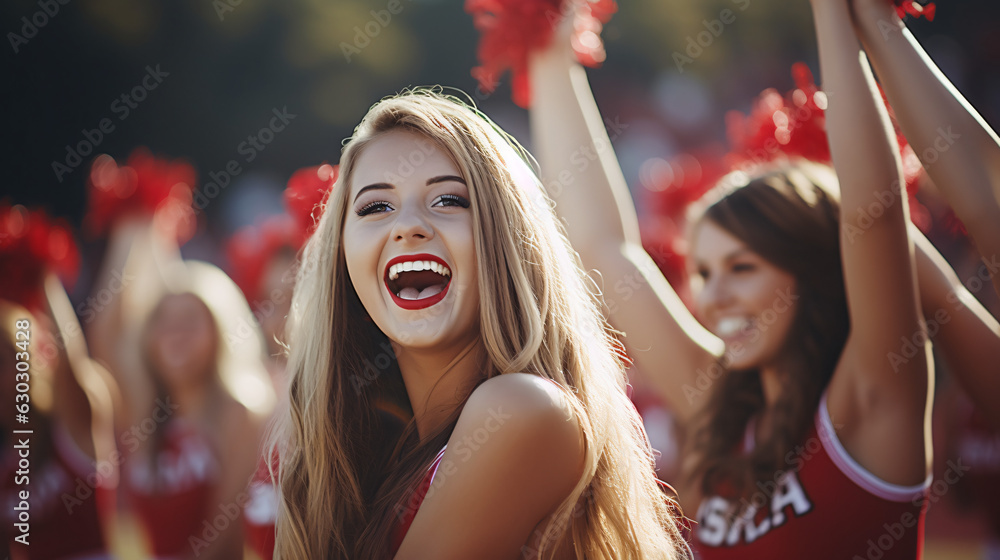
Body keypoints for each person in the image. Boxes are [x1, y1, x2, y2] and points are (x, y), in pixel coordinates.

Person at [526, 1, 994, 556]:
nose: (713, 296)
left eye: (742, 268)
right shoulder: (717, 409)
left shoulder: (872, 396)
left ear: (812, 273)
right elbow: (606, 248)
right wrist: (550, 53)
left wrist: (831, 13)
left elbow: (873, 213)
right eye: (703, 272)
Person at [270, 89, 689, 559]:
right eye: (375, 207)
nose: (407, 225)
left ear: (505, 238)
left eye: (448, 199)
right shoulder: (364, 459)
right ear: (343, 257)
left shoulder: (521, 408)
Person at [87, 213, 274, 560]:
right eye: (163, 321)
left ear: (220, 332)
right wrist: (140, 226)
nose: (175, 334)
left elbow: (224, 532)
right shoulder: (144, 409)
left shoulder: (242, 409)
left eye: (190, 320)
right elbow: (105, 334)